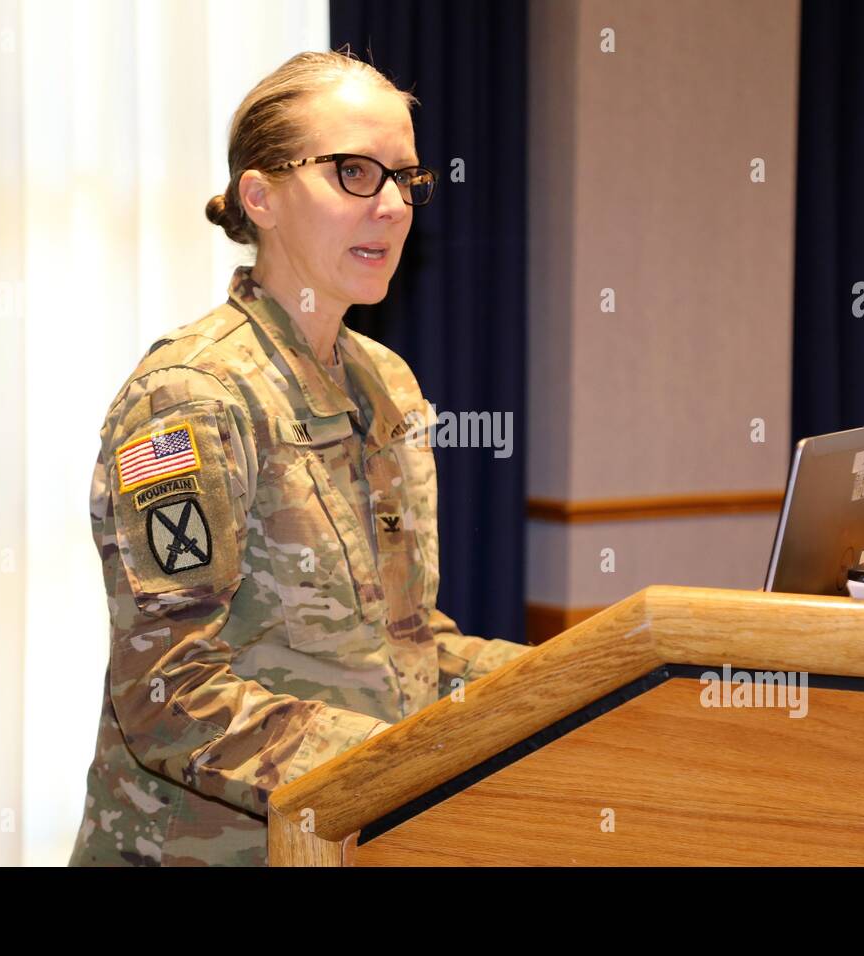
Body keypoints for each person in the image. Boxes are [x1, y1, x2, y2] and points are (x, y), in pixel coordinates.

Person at [68, 50, 528, 867]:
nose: (391, 207)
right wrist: (401, 762)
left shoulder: (388, 384)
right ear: (261, 195)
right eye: (354, 172)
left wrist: (584, 677)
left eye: (406, 180)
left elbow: (407, 646)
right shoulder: (193, 397)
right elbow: (171, 697)